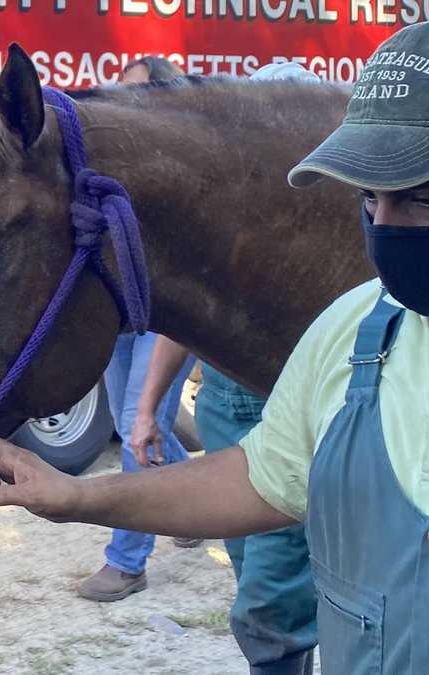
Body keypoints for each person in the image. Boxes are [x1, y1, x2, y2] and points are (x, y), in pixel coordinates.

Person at [0, 16, 429, 673]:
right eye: (370, 198)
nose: (387, 230)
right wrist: (76, 500)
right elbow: (263, 478)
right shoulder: (356, 327)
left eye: (428, 197)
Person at [128, 60, 322, 675]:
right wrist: (146, 408)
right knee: (247, 559)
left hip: (281, 413)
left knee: (270, 592)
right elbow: (187, 323)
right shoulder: (228, 227)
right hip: (221, 409)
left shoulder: (325, 231)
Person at [73, 55, 199, 604]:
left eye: (135, 98)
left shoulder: (183, 170)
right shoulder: (106, 162)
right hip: (122, 315)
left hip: (168, 318)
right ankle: (191, 502)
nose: (120, 110)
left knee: (136, 421)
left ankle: (126, 562)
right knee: (143, 427)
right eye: (114, 96)